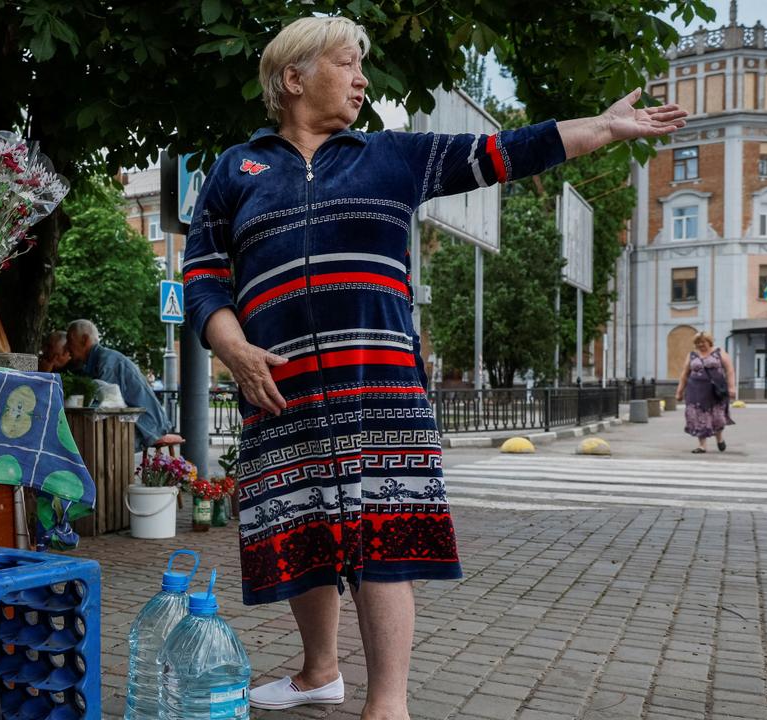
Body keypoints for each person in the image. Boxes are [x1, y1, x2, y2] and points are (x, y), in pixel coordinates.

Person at [182, 16, 685, 719]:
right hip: (277, 388)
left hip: (381, 387)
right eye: (346, 64)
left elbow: (504, 150)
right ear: (292, 78)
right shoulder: (238, 169)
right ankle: (319, 672)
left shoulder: (390, 155)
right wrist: (232, 348)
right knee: (300, 533)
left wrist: (601, 128)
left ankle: (389, 705)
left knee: (383, 540)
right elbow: (204, 277)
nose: (362, 78)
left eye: (363, 66)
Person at [65, 319, 183, 451]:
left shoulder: (107, 362)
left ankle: (98, 472)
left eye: (69, 341)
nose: (67, 348)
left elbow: (105, 407)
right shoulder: (98, 360)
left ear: (85, 340)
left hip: (146, 427)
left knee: (86, 442)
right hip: (138, 423)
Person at [675, 330, 737, 452]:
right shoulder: (692, 355)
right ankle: (702, 445)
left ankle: (719, 438)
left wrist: (731, 387)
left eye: (702, 342)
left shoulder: (719, 352)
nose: (700, 345)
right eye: (697, 343)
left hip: (716, 391)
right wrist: (679, 391)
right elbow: (684, 374)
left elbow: (729, 370)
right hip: (695, 390)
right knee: (698, 416)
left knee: (717, 416)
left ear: (709, 341)